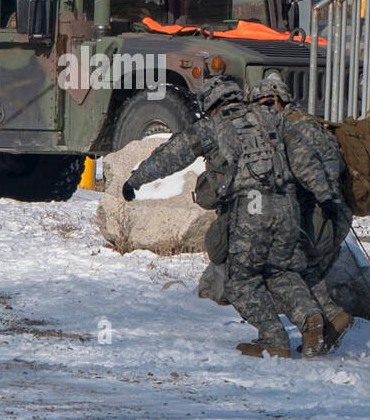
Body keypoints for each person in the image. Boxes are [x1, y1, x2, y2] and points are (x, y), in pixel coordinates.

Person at [123, 76, 327, 359]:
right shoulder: (270, 117)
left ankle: (274, 339)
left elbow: (172, 154)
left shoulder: (211, 127)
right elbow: (303, 151)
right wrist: (324, 191)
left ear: (210, 106)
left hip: (251, 208)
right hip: (287, 205)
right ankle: (311, 319)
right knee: (281, 270)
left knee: (241, 279)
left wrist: (136, 179)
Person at [249, 73, 355, 352]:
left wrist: (324, 197)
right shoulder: (309, 123)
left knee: (280, 267)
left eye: (268, 103)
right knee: (301, 268)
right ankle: (333, 318)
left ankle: (317, 323)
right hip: (332, 212)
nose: (265, 110)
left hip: (322, 213)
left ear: (281, 101)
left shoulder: (292, 129)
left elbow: (306, 167)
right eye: (258, 105)